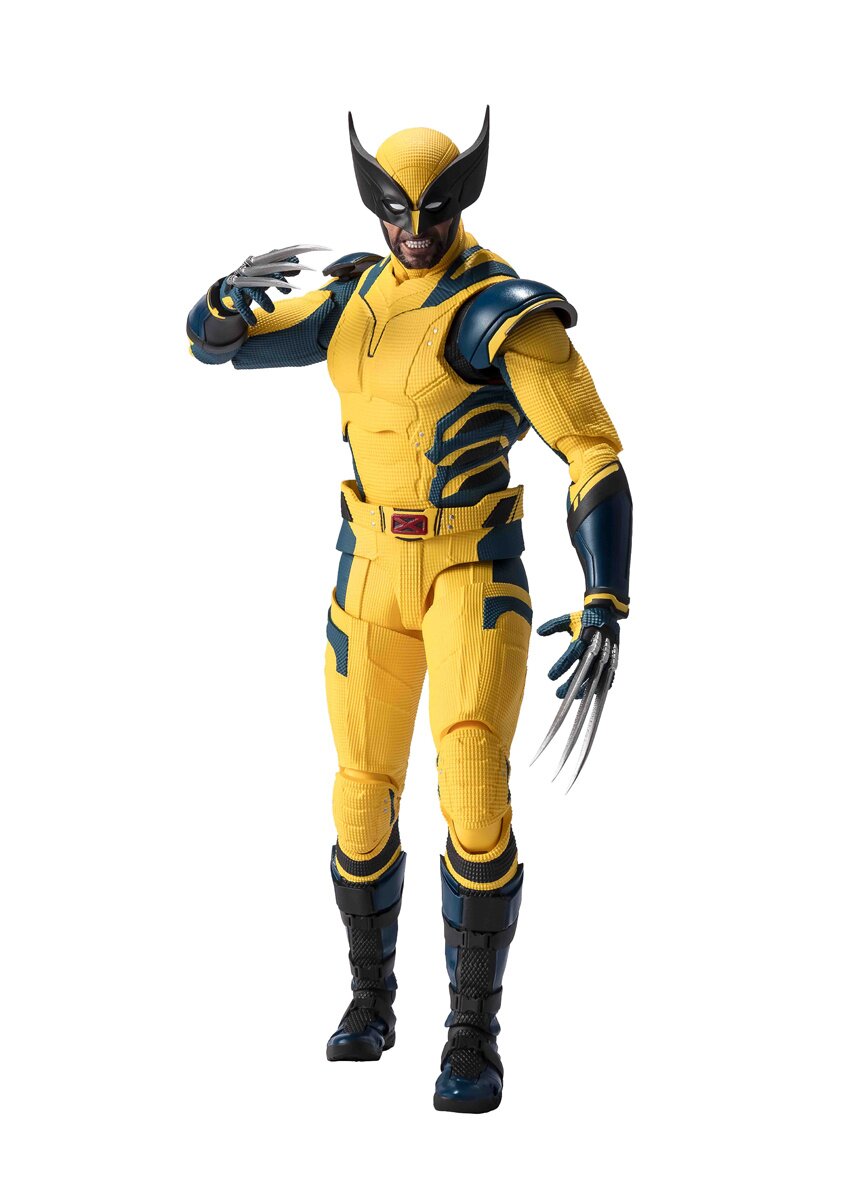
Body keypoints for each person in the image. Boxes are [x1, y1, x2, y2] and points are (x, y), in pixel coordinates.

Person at [186, 108, 632, 1113]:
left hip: (472, 568)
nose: (416, 229)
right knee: (358, 798)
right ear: (374, 205)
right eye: (398, 212)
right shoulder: (357, 295)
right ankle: (370, 999)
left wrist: (606, 593)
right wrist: (219, 299)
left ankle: (471, 1033)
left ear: (462, 200)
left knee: (472, 791)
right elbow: (222, 347)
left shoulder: (502, 309)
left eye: (433, 212)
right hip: (368, 568)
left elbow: (592, 451)